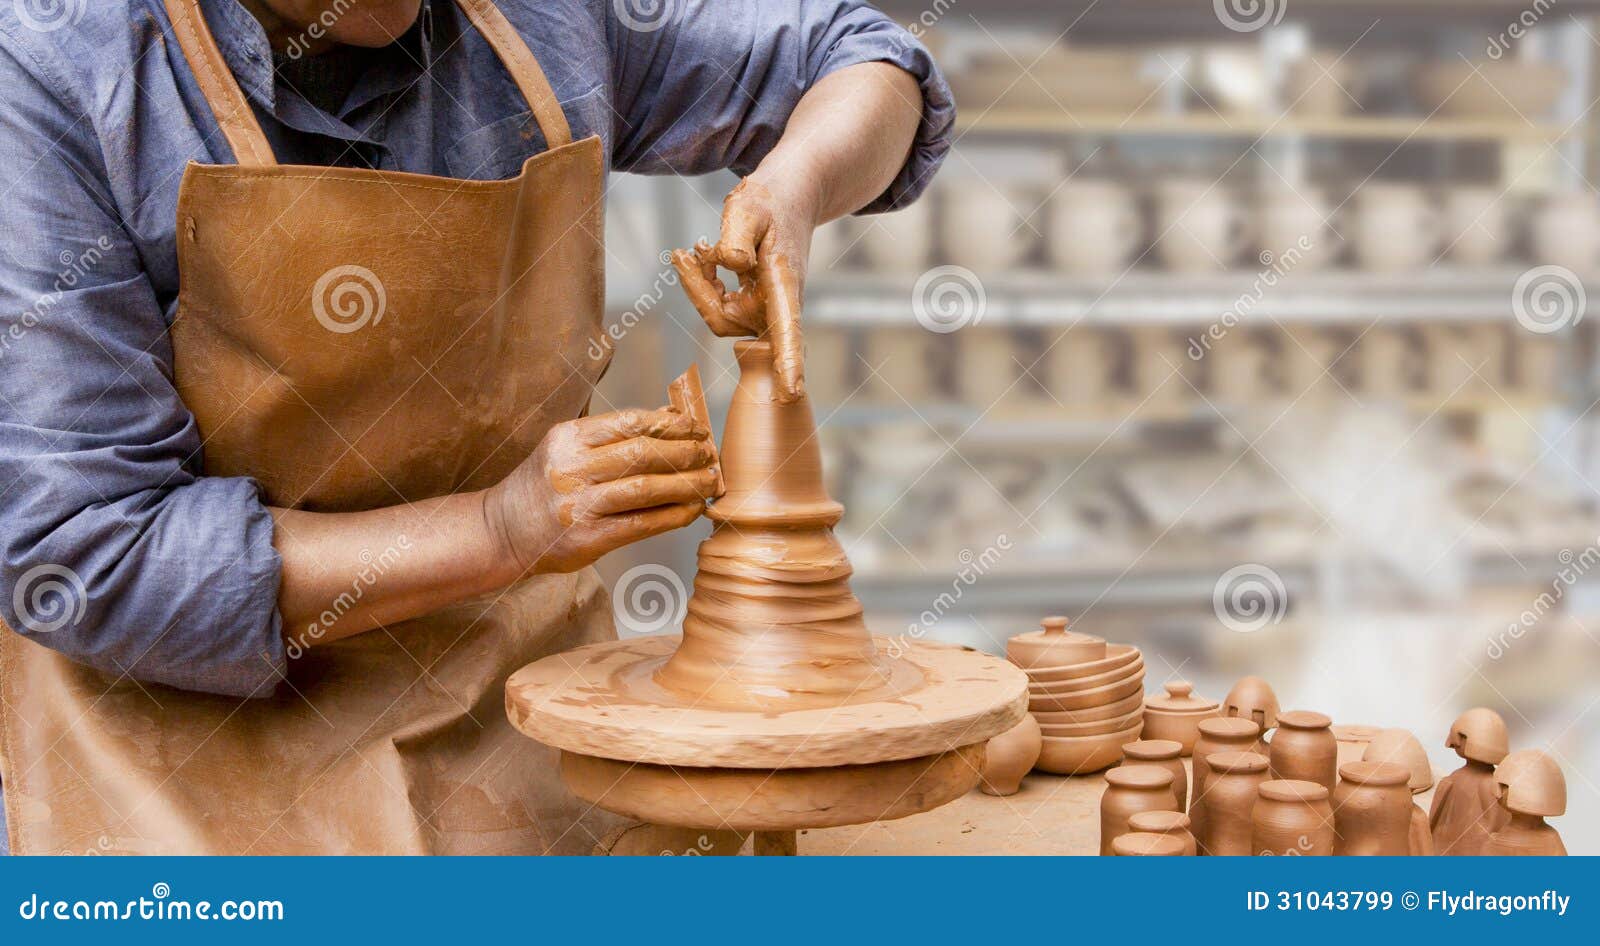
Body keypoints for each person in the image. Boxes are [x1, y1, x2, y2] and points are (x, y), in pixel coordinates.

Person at [0, 0, 951, 854]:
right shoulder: (57, 69)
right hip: (189, 763)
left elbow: (868, 58)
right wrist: (501, 528)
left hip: (514, 729)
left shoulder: (548, 20)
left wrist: (796, 183)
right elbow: (83, 557)